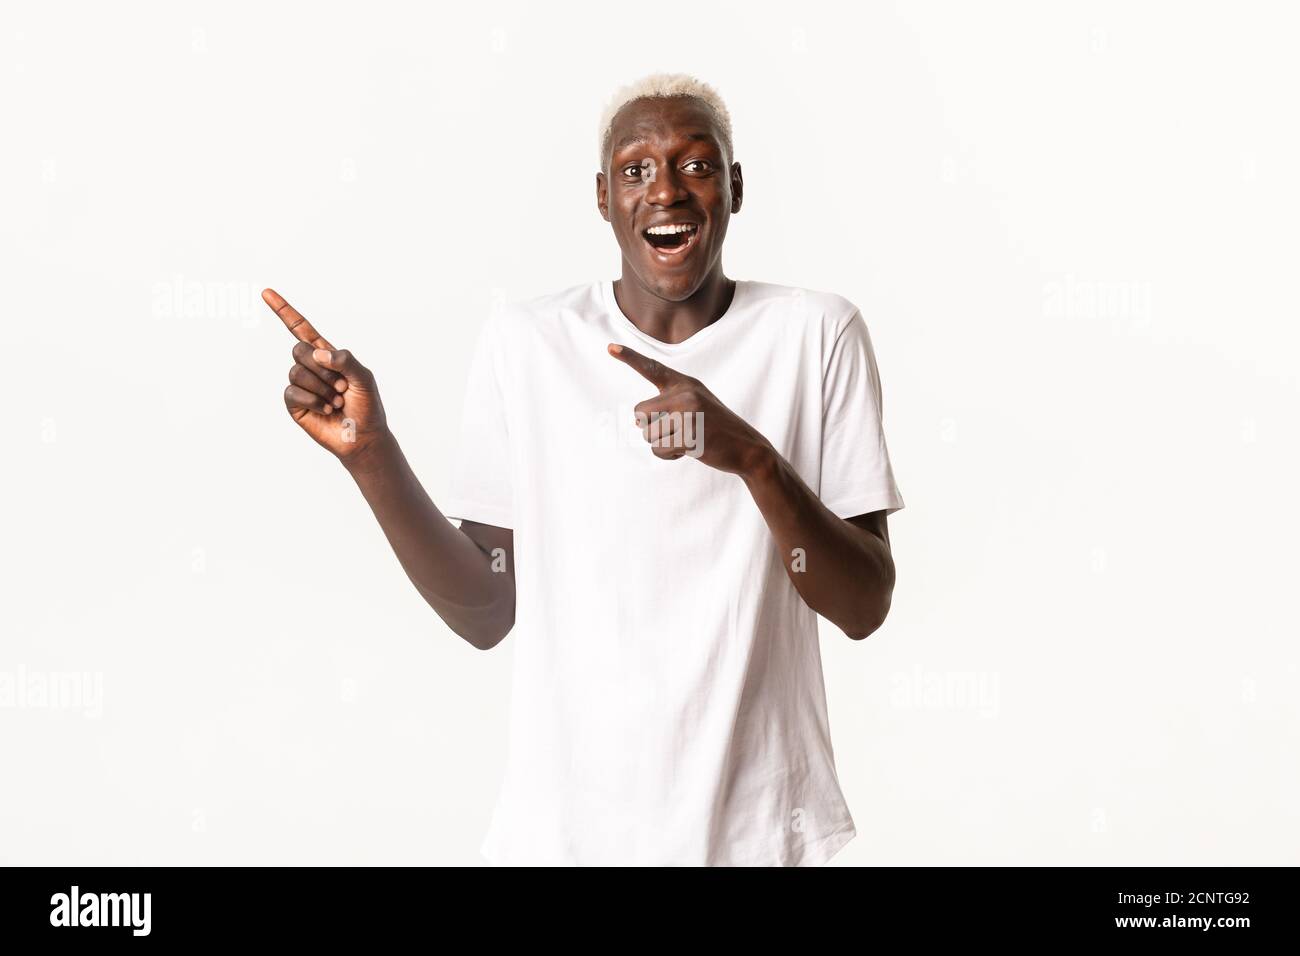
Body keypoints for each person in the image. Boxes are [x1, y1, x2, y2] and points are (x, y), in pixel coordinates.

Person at [265, 73, 905, 866]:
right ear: (603, 198)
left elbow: (865, 602)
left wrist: (751, 458)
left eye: (696, 166)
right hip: (566, 839)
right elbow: (487, 610)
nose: (665, 190)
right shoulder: (527, 342)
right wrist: (372, 456)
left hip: (759, 834)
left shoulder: (816, 333)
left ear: (734, 189)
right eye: (635, 171)